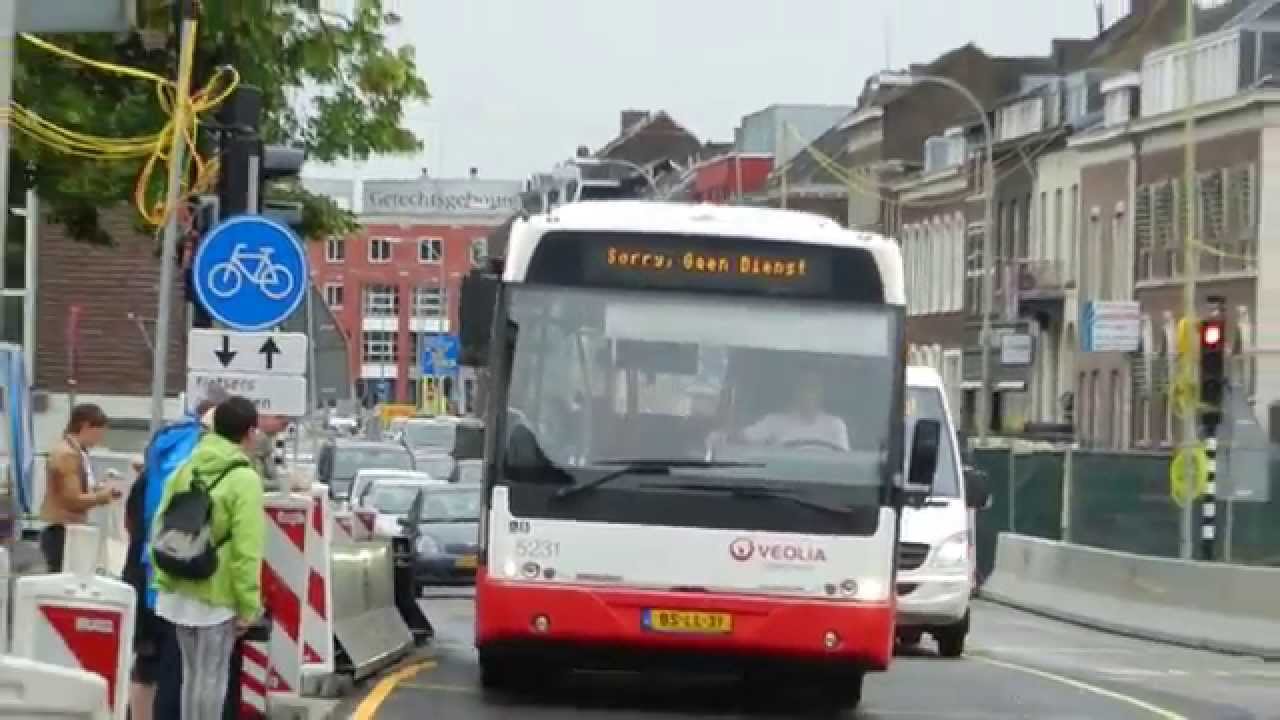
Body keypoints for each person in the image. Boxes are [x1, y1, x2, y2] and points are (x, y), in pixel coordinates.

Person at [153, 397, 266, 720]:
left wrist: (163, 578)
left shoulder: (188, 465)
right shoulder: (244, 479)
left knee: (190, 676)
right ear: (249, 432)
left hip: (178, 586)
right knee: (213, 677)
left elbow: (160, 525)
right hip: (217, 594)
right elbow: (247, 549)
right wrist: (248, 605)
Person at [39, 403, 120, 572]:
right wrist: (102, 497)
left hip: (66, 530)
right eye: (99, 432)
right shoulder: (67, 455)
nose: (101, 439)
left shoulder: (76, 453)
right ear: (86, 426)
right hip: (62, 531)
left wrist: (98, 490)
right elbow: (72, 499)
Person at [714, 371, 850, 451]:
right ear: (796, 392)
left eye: (813, 388)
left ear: (822, 393)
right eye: (804, 387)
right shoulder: (774, 422)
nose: (809, 394)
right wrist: (720, 434)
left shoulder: (835, 425)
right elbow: (740, 438)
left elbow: (844, 464)